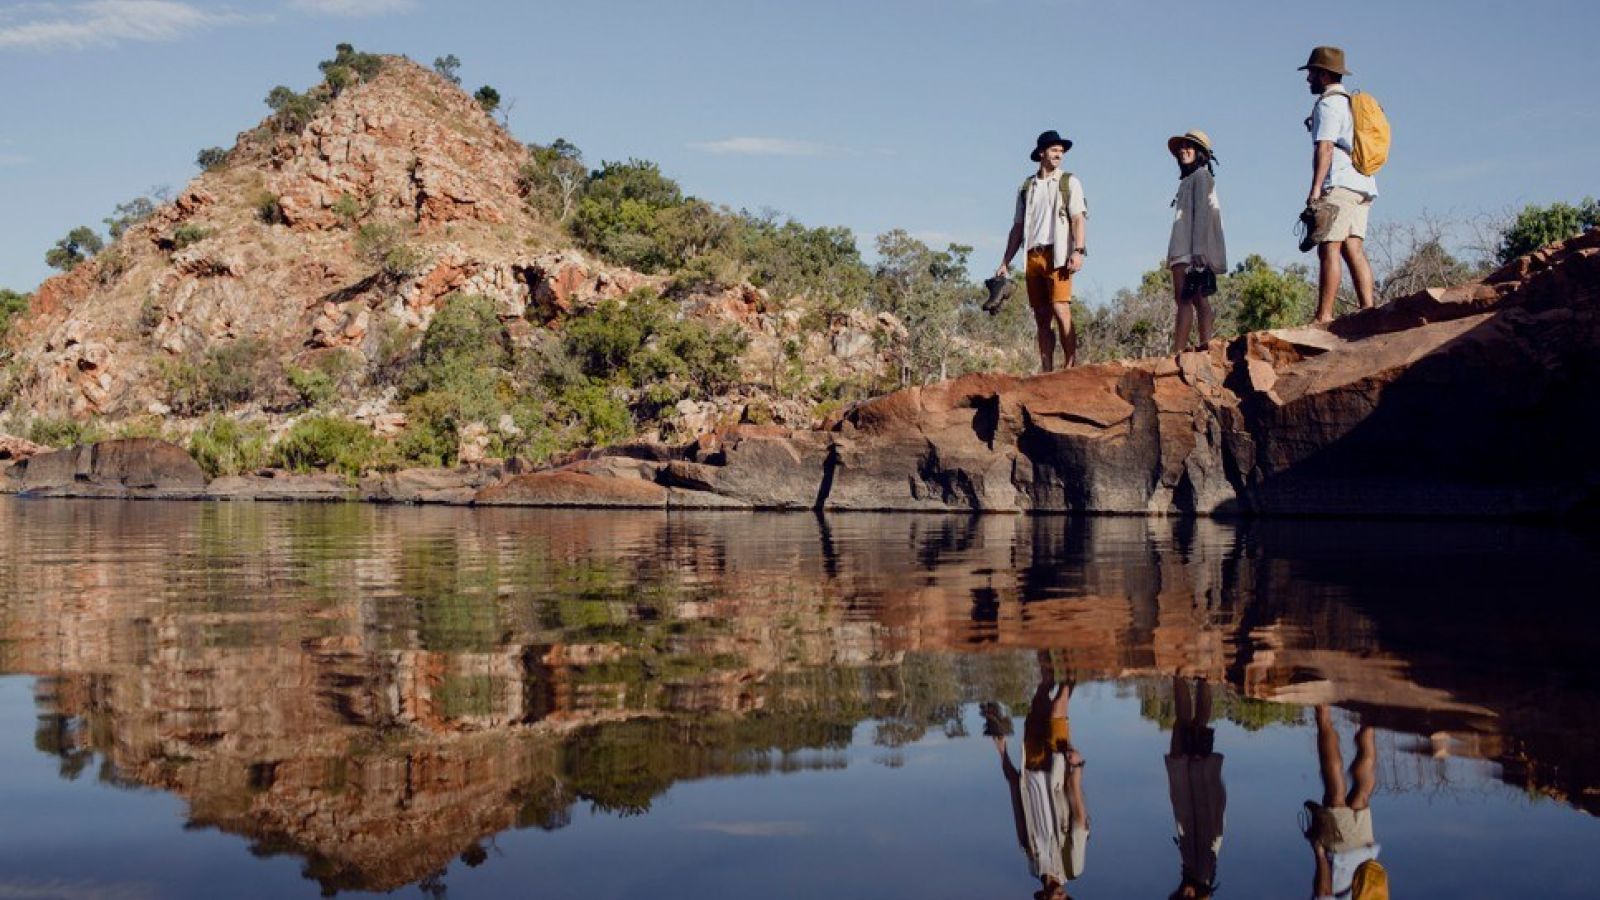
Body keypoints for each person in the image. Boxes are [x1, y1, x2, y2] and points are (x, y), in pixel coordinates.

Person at [991, 653, 1089, 899]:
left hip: (1032, 767)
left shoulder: (1033, 866)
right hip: (1057, 769)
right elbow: (1079, 822)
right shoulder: (1073, 869)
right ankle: (1071, 646)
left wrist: (1003, 756)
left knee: (1042, 692)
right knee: (1059, 704)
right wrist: (1077, 771)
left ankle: (1042, 637)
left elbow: (1019, 811)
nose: (1061, 897)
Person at [997, 131, 1089, 372]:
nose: (1059, 154)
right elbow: (1017, 227)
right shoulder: (1027, 187)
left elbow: (1078, 218)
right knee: (1041, 316)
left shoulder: (1069, 182)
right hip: (1032, 255)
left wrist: (1078, 250)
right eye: (1054, 150)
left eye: (1061, 151)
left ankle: (1070, 366)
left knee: (1061, 308)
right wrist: (1005, 261)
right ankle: (1046, 368)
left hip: (1058, 254)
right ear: (1041, 153)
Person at [1299, 46, 1378, 324]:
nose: (1308, 79)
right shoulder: (1350, 103)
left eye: (1311, 73)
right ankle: (1369, 310)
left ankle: (1323, 317)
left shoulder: (1328, 103)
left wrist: (1315, 191)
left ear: (1322, 74)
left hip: (1341, 182)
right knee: (1352, 247)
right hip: (1364, 183)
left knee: (1328, 246)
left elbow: (1326, 148)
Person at [1303, 705, 1385, 900]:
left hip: (1366, 859)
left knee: (1362, 794)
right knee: (1336, 795)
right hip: (1342, 856)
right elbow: (1324, 893)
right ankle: (1323, 711)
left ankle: (1368, 719)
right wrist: (1319, 852)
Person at [1165, 130, 1227, 355]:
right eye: (1181, 147)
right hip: (1184, 245)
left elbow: (1203, 212)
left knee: (1189, 298)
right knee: (1192, 298)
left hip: (1191, 248)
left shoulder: (1201, 176)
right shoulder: (1188, 180)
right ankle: (1199, 347)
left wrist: (1199, 249)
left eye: (1189, 146)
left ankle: (1187, 349)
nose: (1183, 150)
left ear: (1201, 152)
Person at [1166, 676, 1226, 900]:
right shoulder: (1202, 873)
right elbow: (1209, 827)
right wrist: (1201, 777)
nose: (1183, 894)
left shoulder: (1194, 873)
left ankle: (1185, 674)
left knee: (1184, 730)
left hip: (1189, 794)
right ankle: (1198, 676)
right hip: (1197, 793)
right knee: (1193, 728)